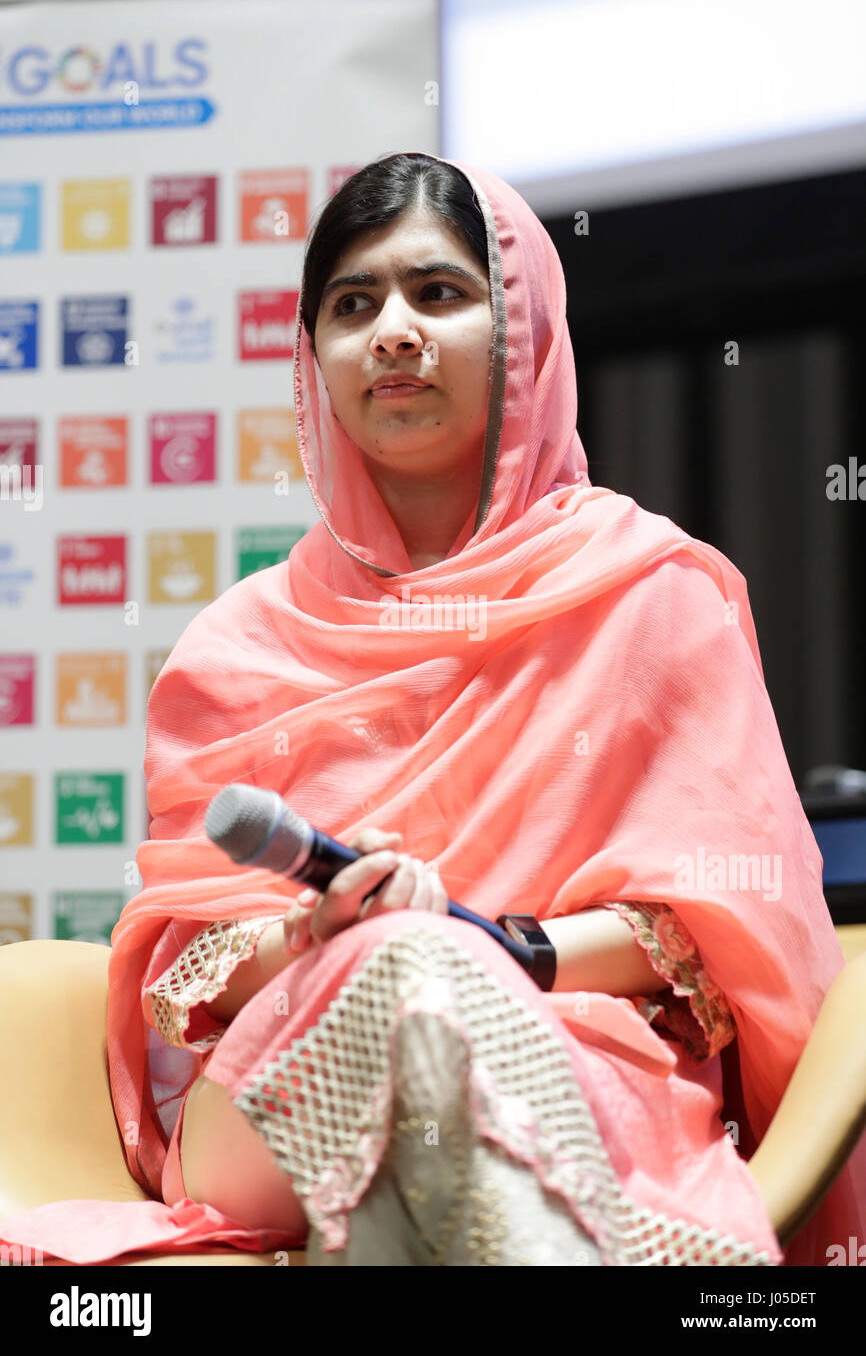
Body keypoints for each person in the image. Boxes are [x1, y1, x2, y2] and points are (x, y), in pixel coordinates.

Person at [2, 151, 863, 1265]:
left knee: (429, 991)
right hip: (280, 1082)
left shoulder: (649, 594)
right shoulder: (238, 643)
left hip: (585, 1065)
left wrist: (504, 949)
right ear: (311, 355)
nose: (393, 331)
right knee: (402, 972)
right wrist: (319, 935)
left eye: (439, 294)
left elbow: (711, 930)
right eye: (353, 305)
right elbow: (187, 960)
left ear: (526, 334)